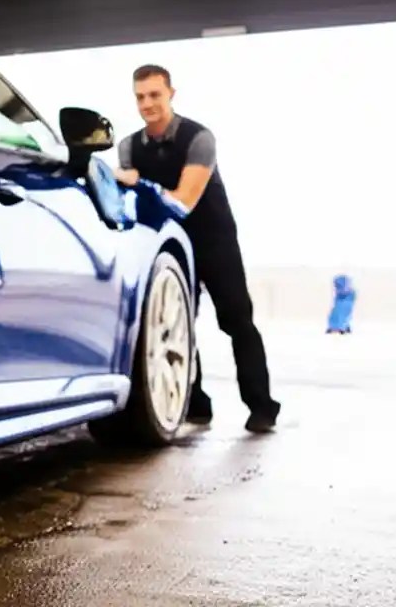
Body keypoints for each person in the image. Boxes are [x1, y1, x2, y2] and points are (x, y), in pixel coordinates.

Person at [114, 64, 281, 433]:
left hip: (214, 239)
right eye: (140, 97)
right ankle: (196, 404)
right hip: (170, 245)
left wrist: (140, 182)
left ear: (171, 94)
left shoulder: (198, 138)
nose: (147, 104)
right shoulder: (128, 146)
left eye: (154, 95)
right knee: (178, 325)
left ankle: (262, 407)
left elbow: (183, 203)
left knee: (237, 320)